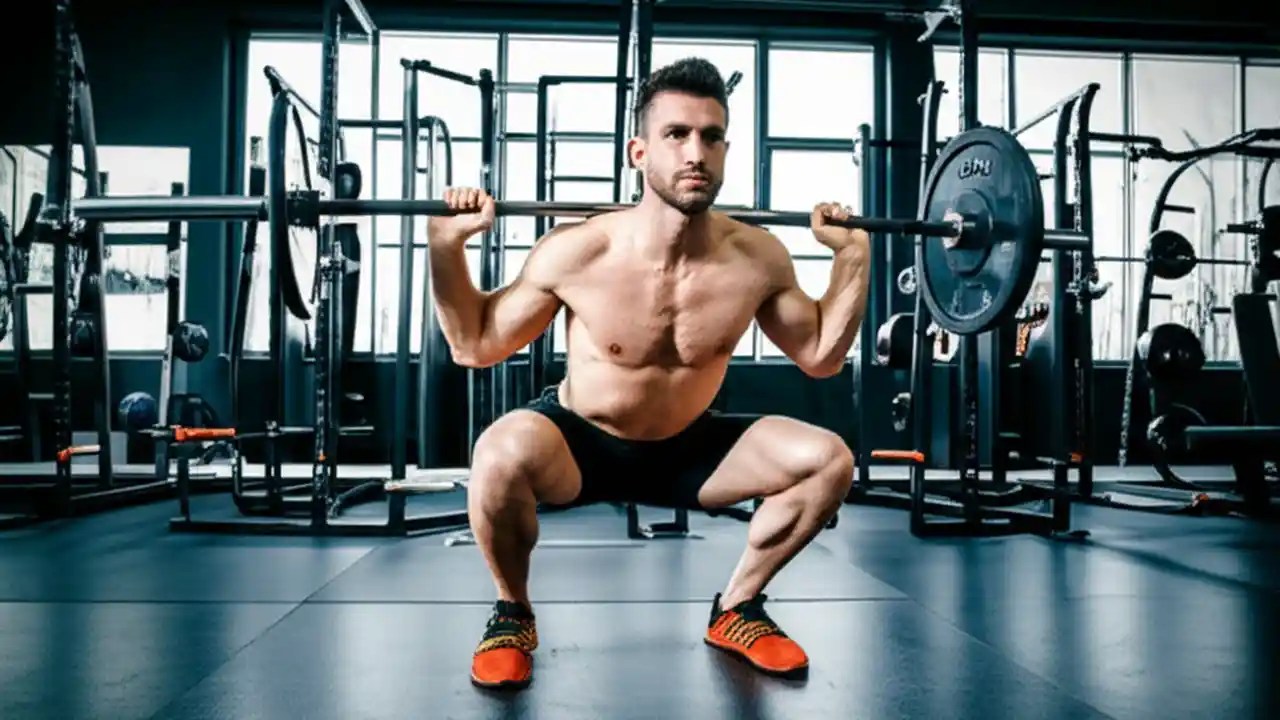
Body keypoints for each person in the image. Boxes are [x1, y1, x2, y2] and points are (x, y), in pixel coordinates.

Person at [427, 56, 870, 691]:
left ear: (725, 150)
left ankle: (738, 608)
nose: (696, 153)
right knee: (498, 453)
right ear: (639, 152)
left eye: (711, 137)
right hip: (579, 444)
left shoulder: (757, 258)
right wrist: (446, 248)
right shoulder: (579, 250)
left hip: (690, 448)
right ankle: (512, 612)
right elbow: (474, 345)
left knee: (829, 460)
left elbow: (821, 356)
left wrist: (853, 260)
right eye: (676, 134)